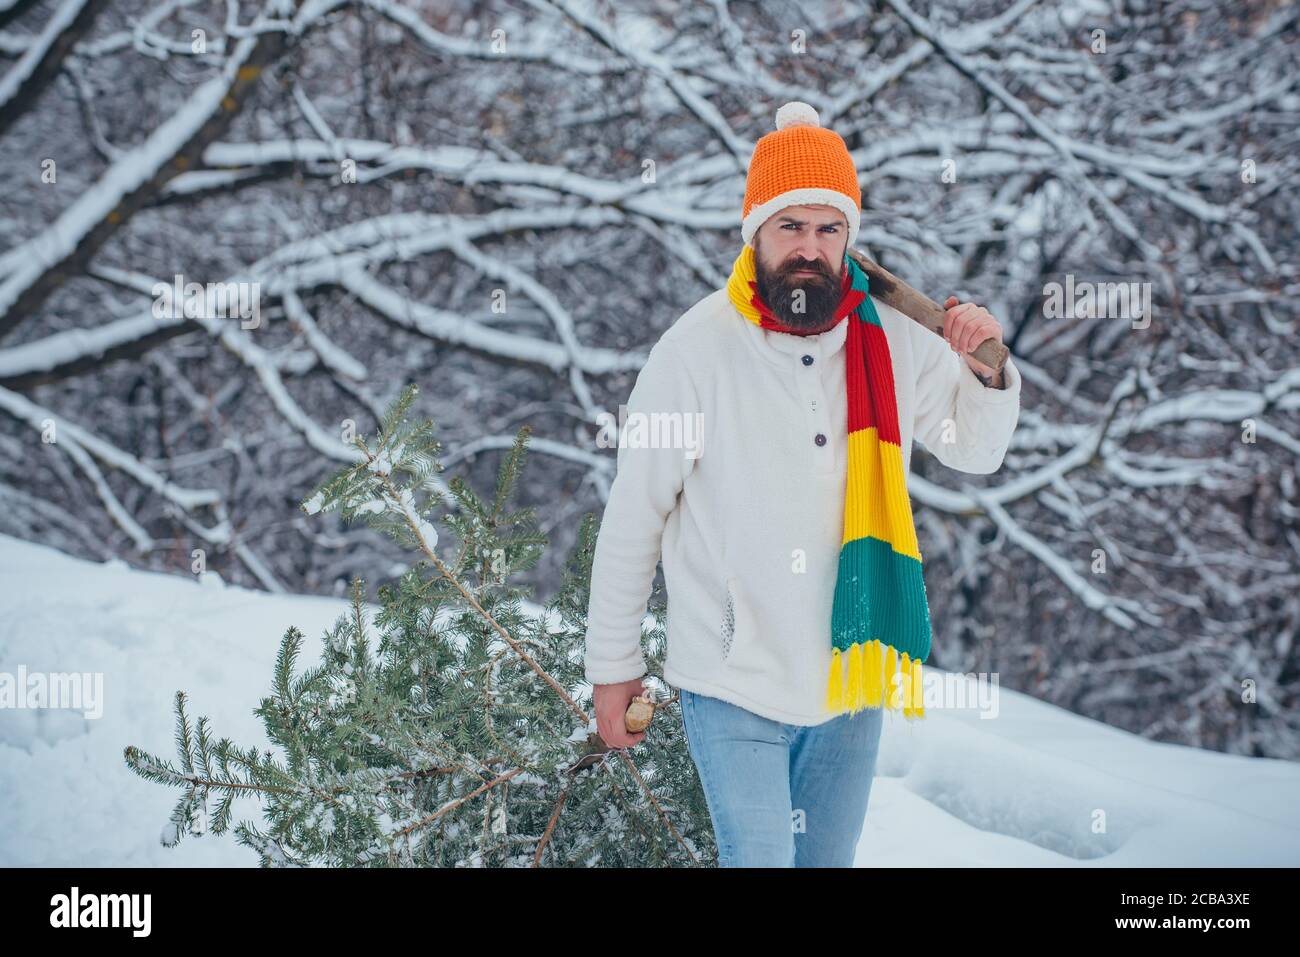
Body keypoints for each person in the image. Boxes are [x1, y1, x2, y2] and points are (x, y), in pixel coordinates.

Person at [583, 101, 1022, 867]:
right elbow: (635, 516)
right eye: (791, 226)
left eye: (829, 228)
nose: (810, 249)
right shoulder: (695, 351)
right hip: (734, 681)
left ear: (849, 235)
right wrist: (613, 668)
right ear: (755, 230)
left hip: (849, 683)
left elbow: (970, 448)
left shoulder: (891, 339)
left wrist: (988, 370)